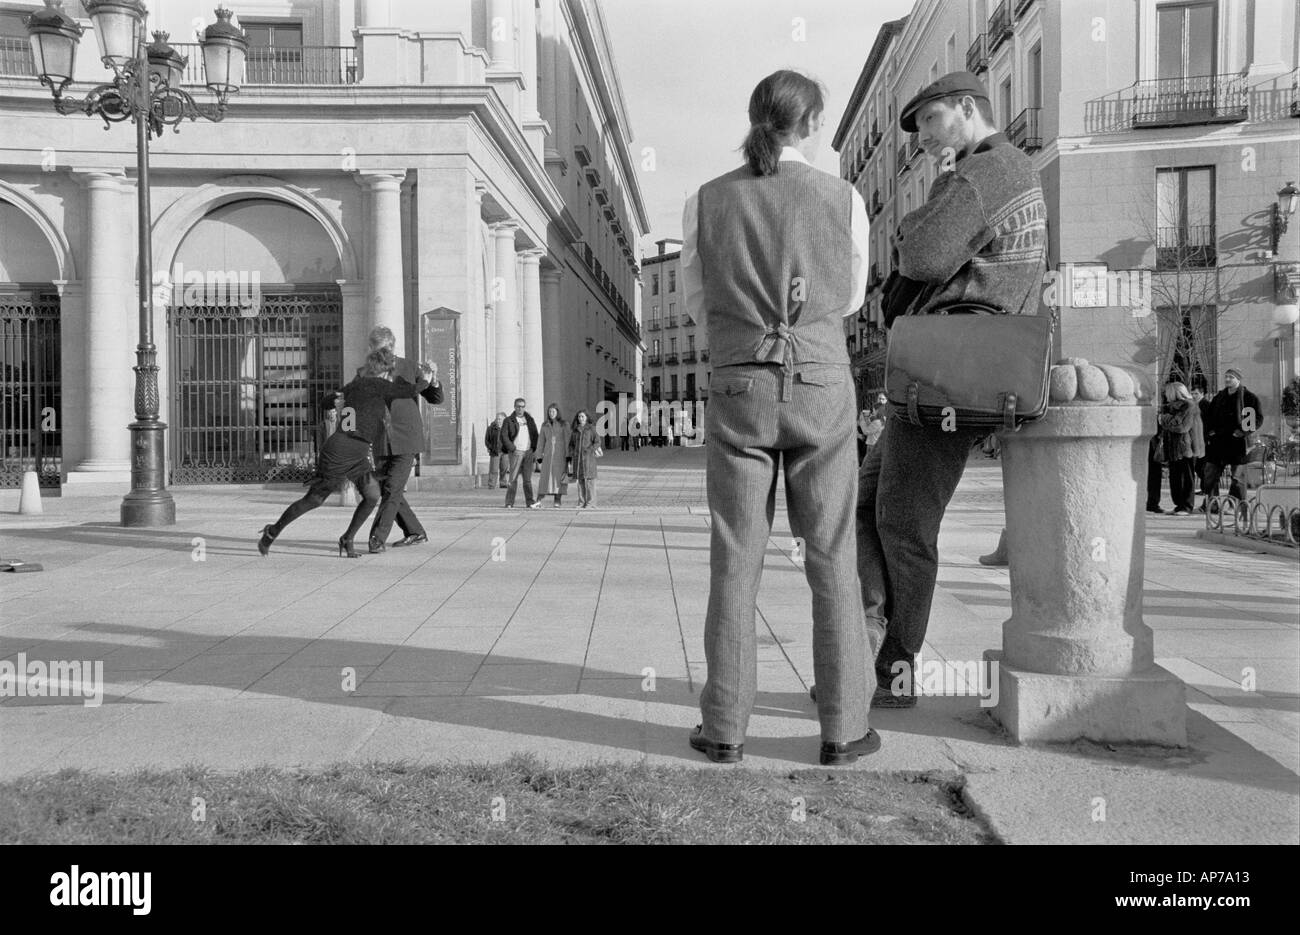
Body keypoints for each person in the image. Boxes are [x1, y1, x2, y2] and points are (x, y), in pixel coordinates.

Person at [681, 69, 878, 766]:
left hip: (739, 383)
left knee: (735, 555)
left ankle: (725, 728)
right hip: (820, 381)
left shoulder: (707, 200)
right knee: (832, 556)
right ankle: (843, 727)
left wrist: (747, 332)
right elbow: (850, 297)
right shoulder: (843, 197)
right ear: (813, 121)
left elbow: (696, 301)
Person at [858, 71, 1047, 709]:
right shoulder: (1000, 169)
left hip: (950, 371)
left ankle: (895, 670)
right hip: (948, 367)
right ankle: (868, 642)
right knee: (867, 505)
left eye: (932, 122)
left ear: (967, 109)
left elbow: (923, 258)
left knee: (905, 523)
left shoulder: (986, 170)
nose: (923, 138)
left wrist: (934, 197)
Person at [258, 349, 432, 558]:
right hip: (340, 451)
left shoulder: (356, 385)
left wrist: (336, 400)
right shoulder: (379, 384)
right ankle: (272, 531)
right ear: (387, 371)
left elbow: (324, 402)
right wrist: (427, 378)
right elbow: (410, 391)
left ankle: (347, 538)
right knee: (315, 499)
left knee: (371, 495)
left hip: (357, 452)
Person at [364, 326, 443, 553]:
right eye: (376, 350)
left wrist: (433, 379)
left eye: (384, 350)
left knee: (391, 488)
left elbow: (435, 398)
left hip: (406, 438)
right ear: (370, 349)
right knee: (391, 490)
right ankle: (415, 531)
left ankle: (377, 539)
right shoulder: (365, 372)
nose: (380, 355)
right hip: (380, 439)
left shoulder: (410, 366)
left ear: (392, 346)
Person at [1201, 369, 1261, 508]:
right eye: (1226, 376)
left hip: (1238, 444)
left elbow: (1256, 418)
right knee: (1210, 474)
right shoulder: (1219, 397)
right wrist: (1210, 432)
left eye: (1231, 377)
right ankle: (1212, 505)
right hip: (1218, 443)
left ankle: (1235, 505)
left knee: (1237, 478)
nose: (1227, 379)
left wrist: (1242, 432)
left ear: (1238, 379)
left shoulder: (1249, 397)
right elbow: (1209, 416)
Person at [1159, 381, 1204, 514]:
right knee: (1175, 477)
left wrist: (1164, 419)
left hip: (1186, 446)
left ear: (1174, 393)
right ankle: (1179, 505)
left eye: (1168, 392)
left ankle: (1186, 506)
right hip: (1174, 446)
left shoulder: (1189, 406)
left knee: (1186, 477)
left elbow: (1182, 427)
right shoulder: (1171, 407)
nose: (1166, 395)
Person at [500, 397, 539, 509]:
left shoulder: (529, 419)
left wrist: (533, 448)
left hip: (528, 452)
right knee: (513, 479)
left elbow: (535, 434)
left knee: (527, 480)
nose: (520, 409)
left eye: (522, 406)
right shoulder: (509, 420)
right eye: (518, 406)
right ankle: (509, 502)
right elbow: (504, 436)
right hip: (516, 452)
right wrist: (512, 448)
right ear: (514, 407)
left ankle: (530, 502)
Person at [536, 403, 569, 508]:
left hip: (560, 455)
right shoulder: (545, 425)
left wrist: (568, 455)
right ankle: (539, 499)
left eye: (553, 411)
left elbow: (567, 440)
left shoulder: (564, 424)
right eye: (550, 411)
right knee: (545, 478)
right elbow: (541, 441)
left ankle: (557, 500)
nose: (551, 413)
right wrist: (539, 455)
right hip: (548, 456)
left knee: (558, 479)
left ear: (557, 412)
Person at [569, 409, 601, 508]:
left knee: (590, 482)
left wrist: (590, 450)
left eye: (582, 416)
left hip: (589, 459)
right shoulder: (575, 430)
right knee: (580, 481)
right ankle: (581, 502)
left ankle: (591, 503)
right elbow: (571, 444)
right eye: (579, 416)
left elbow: (597, 442)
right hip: (578, 460)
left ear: (586, 417)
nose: (580, 418)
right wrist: (572, 452)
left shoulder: (591, 429)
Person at [485, 412, 509, 489]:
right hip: (495, 451)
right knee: (494, 469)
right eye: (497, 418)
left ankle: (503, 483)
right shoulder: (491, 428)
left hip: (505, 452)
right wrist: (490, 447)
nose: (498, 420)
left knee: (504, 468)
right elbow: (487, 440)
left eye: (500, 419)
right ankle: (492, 484)